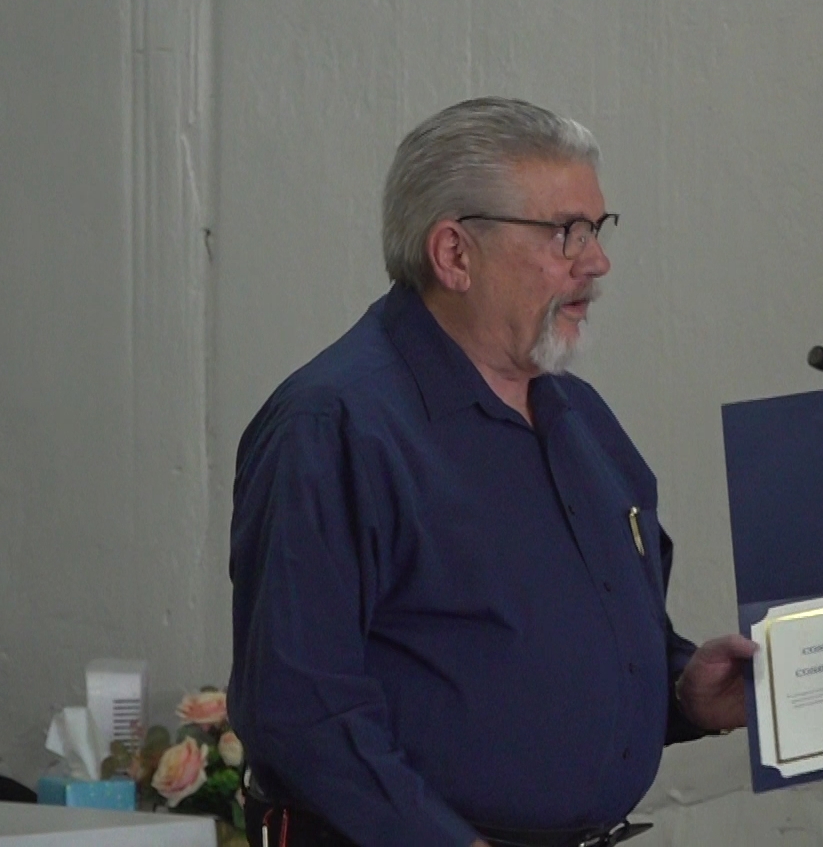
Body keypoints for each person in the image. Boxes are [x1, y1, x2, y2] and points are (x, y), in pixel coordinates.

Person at [228, 97, 756, 847]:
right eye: (565, 232)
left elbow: (575, 642)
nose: (596, 260)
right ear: (453, 255)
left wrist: (682, 690)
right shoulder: (334, 427)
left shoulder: (581, 419)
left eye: (598, 229)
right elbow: (300, 707)